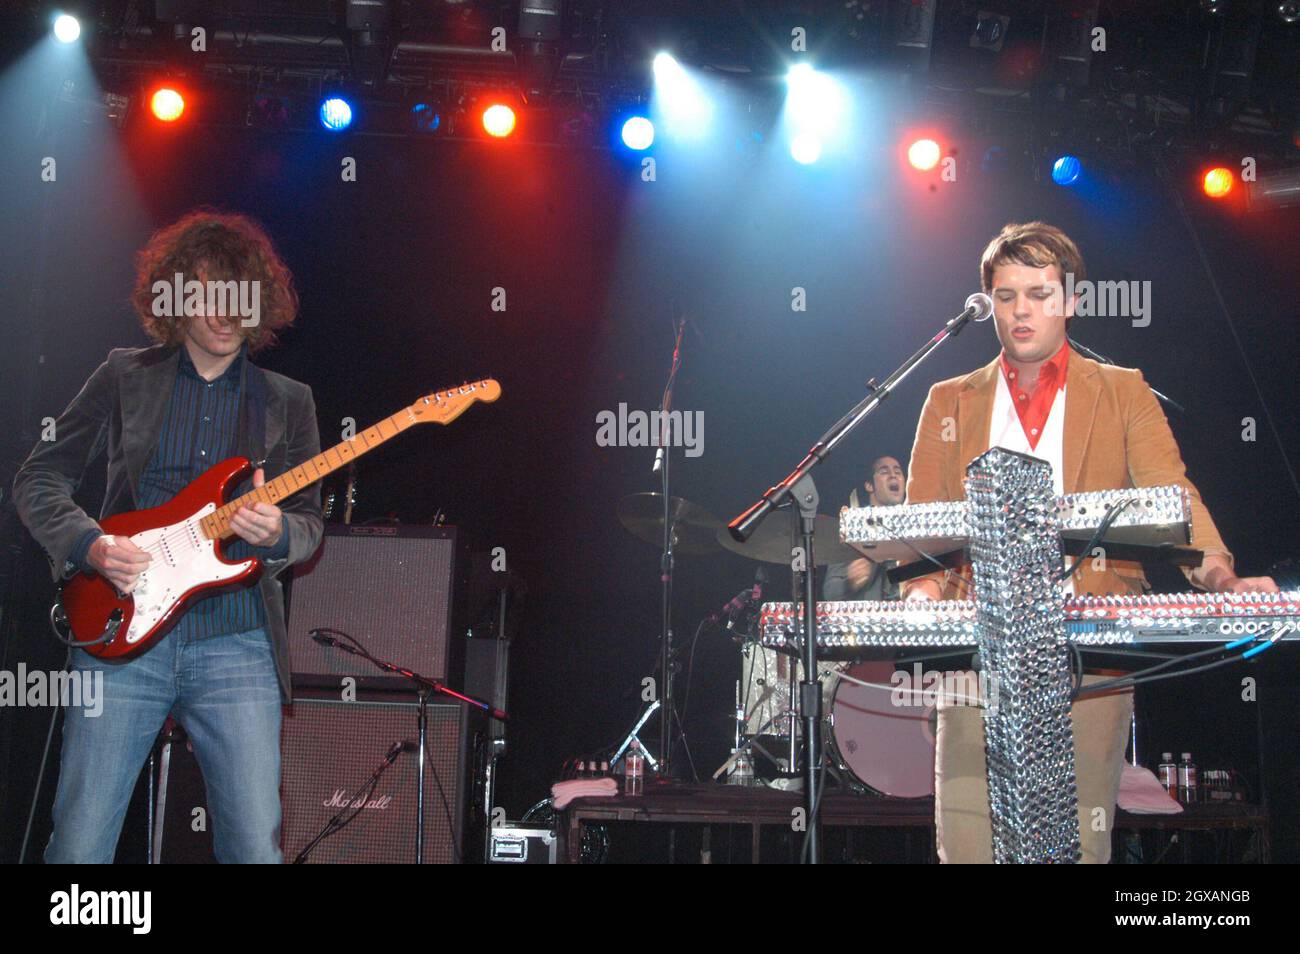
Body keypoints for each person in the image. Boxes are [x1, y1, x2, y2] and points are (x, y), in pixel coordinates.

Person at [902, 221, 1278, 863]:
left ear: (1073, 300)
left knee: (1080, 848)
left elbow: (1174, 499)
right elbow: (921, 533)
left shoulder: (1123, 390)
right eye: (1007, 294)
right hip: (975, 661)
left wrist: (1222, 578)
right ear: (988, 301)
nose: (1022, 309)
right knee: (966, 848)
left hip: (1091, 658)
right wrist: (923, 593)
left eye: (1041, 293)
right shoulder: (947, 400)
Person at [13, 210, 324, 863]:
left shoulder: (289, 401)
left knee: (254, 849)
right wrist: (91, 546)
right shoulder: (125, 376)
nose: (224, 311)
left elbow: (310, 525)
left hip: (236, 642)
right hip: (121, 635)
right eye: (208, 292)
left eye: (239, 295)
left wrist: (277, 533)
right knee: (79, 844)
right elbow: (38, 478)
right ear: (176, 298)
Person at [822, 455, 905, 601]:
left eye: (898, 472)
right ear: (869, 486)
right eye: (884, 472)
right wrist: (850, 582)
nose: (893, 475)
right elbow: (830, 593)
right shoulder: (852, 527)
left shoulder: (914, 527)